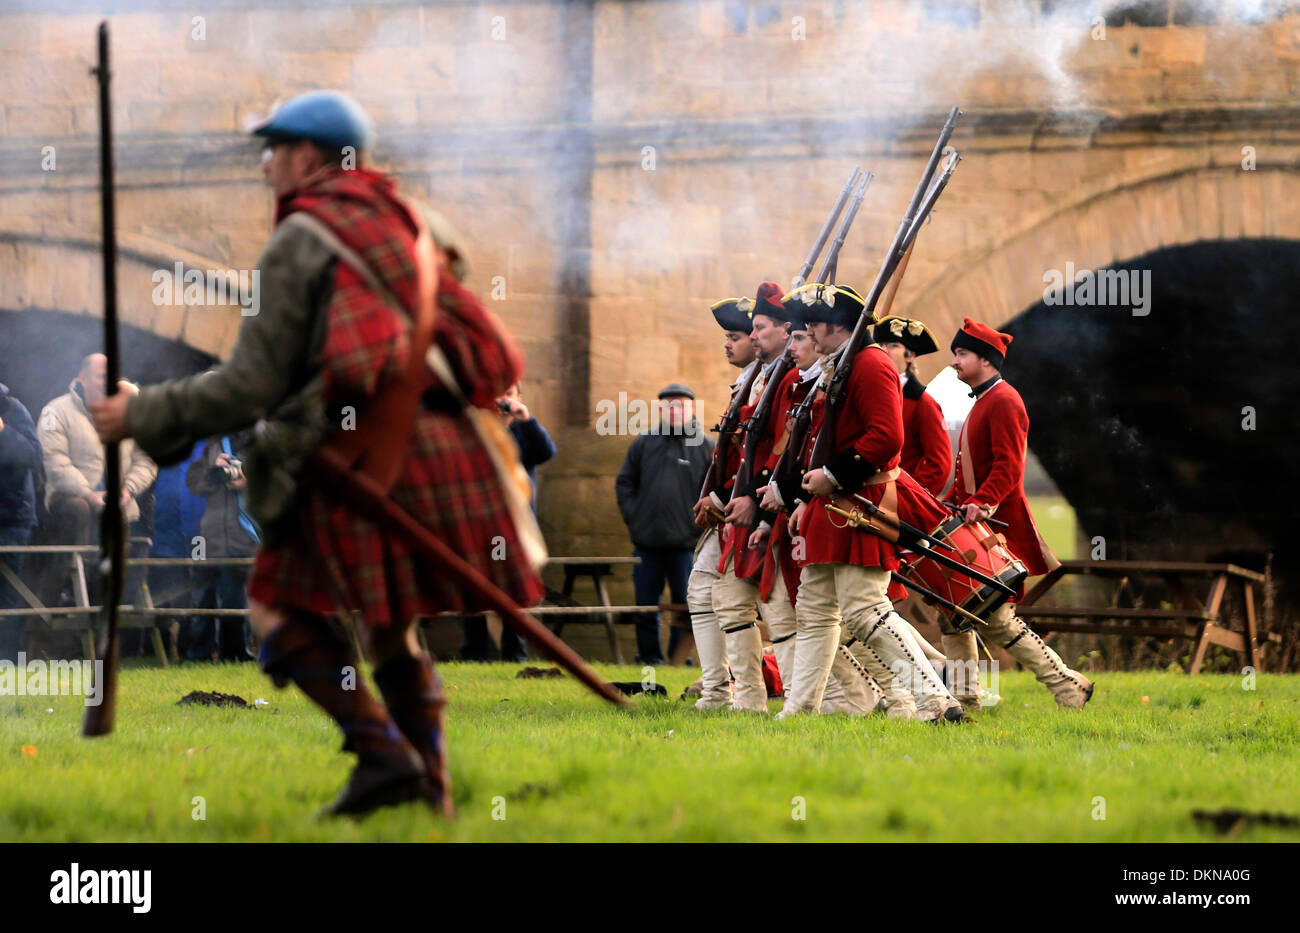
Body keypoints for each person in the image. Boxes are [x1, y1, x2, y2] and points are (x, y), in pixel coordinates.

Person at [90, 89, 544, 817]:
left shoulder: (302, 237)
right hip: (433, 446)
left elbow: (250, 384)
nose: (265, 165)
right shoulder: (414, 222)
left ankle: (382, 755)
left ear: (308, 156)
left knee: (274, 606)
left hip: (356, 451)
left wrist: (141, 412)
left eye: (274, 150)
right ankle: (434, 793)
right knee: (391, 625)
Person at [778, 283, 964, 722]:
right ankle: (799, 710)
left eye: (815, 325)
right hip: (833, 503)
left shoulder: (870, 363)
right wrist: (808, 497)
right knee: (816, 610)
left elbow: (886, 437)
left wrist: (832, 476)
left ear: (839, 325)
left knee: (864, 611)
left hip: (859, 500)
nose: (809, 333)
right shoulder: (842, 365)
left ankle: (936, 700)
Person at [949, 318, 1094, 708]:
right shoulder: (986, 400)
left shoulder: (1004, 400)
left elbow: (1008, 467)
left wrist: (982, 503)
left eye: (962, 354)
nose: (955, 363)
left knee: (994, 617)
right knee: (956, 611)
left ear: (986, 358)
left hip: (994, 527)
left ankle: (1067, 684)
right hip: (975, 525)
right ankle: (964, 697)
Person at [36, 355, 157, 608]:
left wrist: (127, 490)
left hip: (118, 506)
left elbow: (147, 459)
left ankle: (110, 604)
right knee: (79, 509)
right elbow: (53, 460)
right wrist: (89, 493)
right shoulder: (55, 411)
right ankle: (64, 589)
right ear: (82, 378)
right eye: (101, 376)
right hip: (69, 502)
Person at [685, 296, 758, 708]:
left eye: (736, 336)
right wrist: (715, 495)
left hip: (756, 507)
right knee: (701, 589)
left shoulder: (765, 381)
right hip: (733, 503)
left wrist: (729, 495)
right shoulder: (748, 381)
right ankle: (717, 690)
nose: (727, 344)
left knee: (802, 611)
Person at [616, 383, 714, 665]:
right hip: (646, 545)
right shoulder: (644, 443)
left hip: (687, 546)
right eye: (668, 405)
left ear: (691, 408)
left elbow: (715, 492)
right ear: (661, 409)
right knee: (645, 605)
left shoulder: (705, 446)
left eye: (680, 405)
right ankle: (649, 659)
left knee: (685, 606)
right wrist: (635, 517)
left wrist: (698, 527)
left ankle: (677, 659)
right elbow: (625, 483)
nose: (674, 410)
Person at [460, 381, 554, 662]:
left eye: (509, 394)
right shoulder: (476, 431)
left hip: (515, 529)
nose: (503, 400)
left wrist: (527, 420)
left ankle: (515, 653)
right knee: (474, 590)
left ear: (519, 398)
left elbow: (545, 452)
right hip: (478, 529)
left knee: (514, 593)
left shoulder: (523, 432)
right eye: (498, 393)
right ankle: (474, 653)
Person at [185, 432, 259, 661]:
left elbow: (282, 479)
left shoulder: (261, 438)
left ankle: (236, 654)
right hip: (211, 534)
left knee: (235, 596)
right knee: (201, 596)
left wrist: (249, 480)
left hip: (246, 532)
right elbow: (194, 484)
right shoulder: (215, 442)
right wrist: (212, 471)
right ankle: (198, 656)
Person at [148, 442, 206, 661]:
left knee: (198, 585)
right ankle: (168, 646)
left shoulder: (207, 442)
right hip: (166, 533)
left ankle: (194, 646)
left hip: (198, 535)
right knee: (169, 588)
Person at [0, 381, 42, 662]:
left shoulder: (13, 410)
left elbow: (32, 455)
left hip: (11, 518)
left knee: (7, 593)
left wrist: (3, 432)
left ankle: (5, 662)